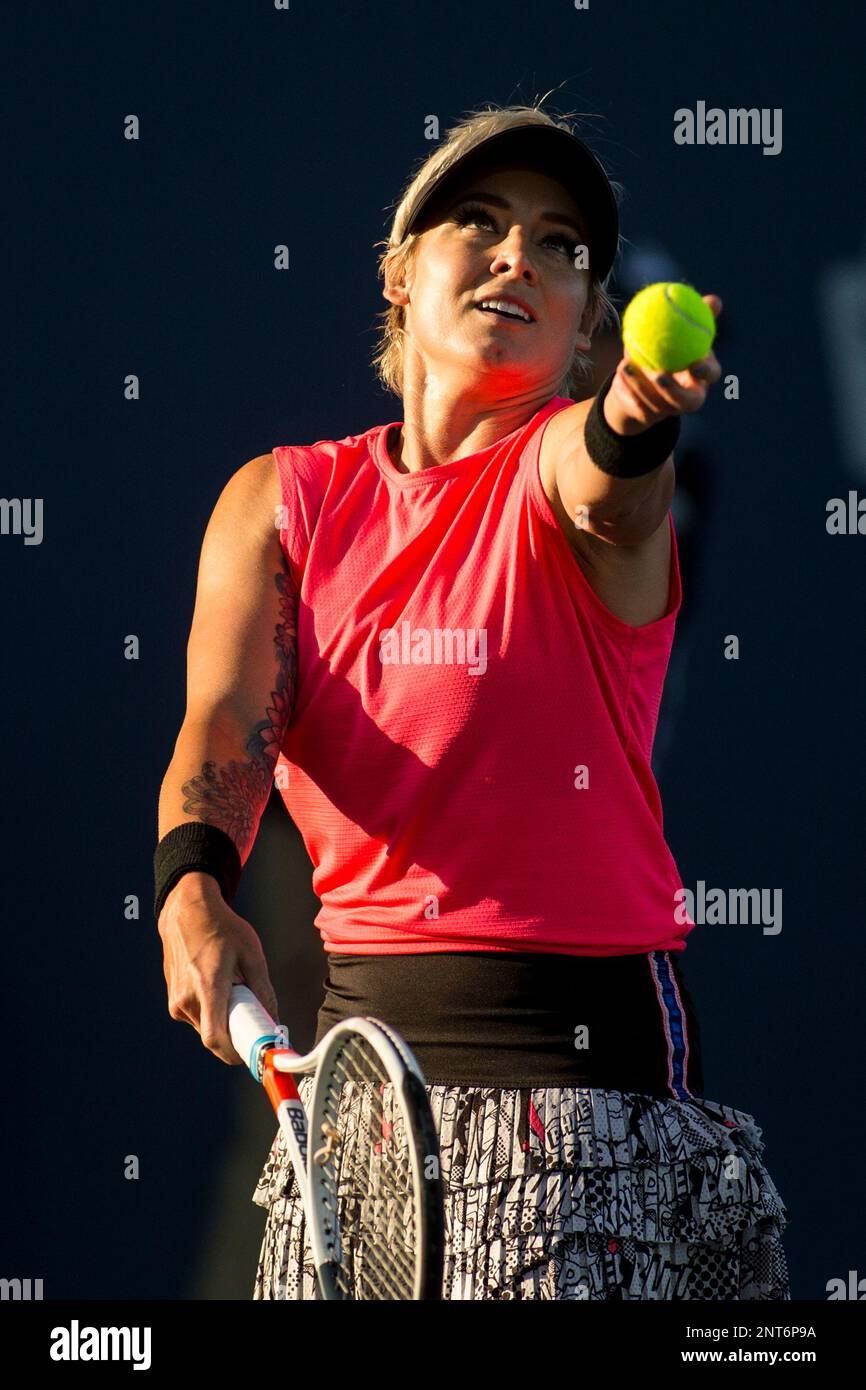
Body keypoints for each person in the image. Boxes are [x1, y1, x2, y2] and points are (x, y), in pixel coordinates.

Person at [154, 101, 791, 1300]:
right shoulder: (280, 501)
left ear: (589, 321)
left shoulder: (563, 472)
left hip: (588, 1132)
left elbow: (606, 479)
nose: (519, 256)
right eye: (481, 222)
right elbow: (225, 723)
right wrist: (192, 887)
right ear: (398, 274)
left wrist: (641, 414)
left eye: (559, 245)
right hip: (355, 1123)